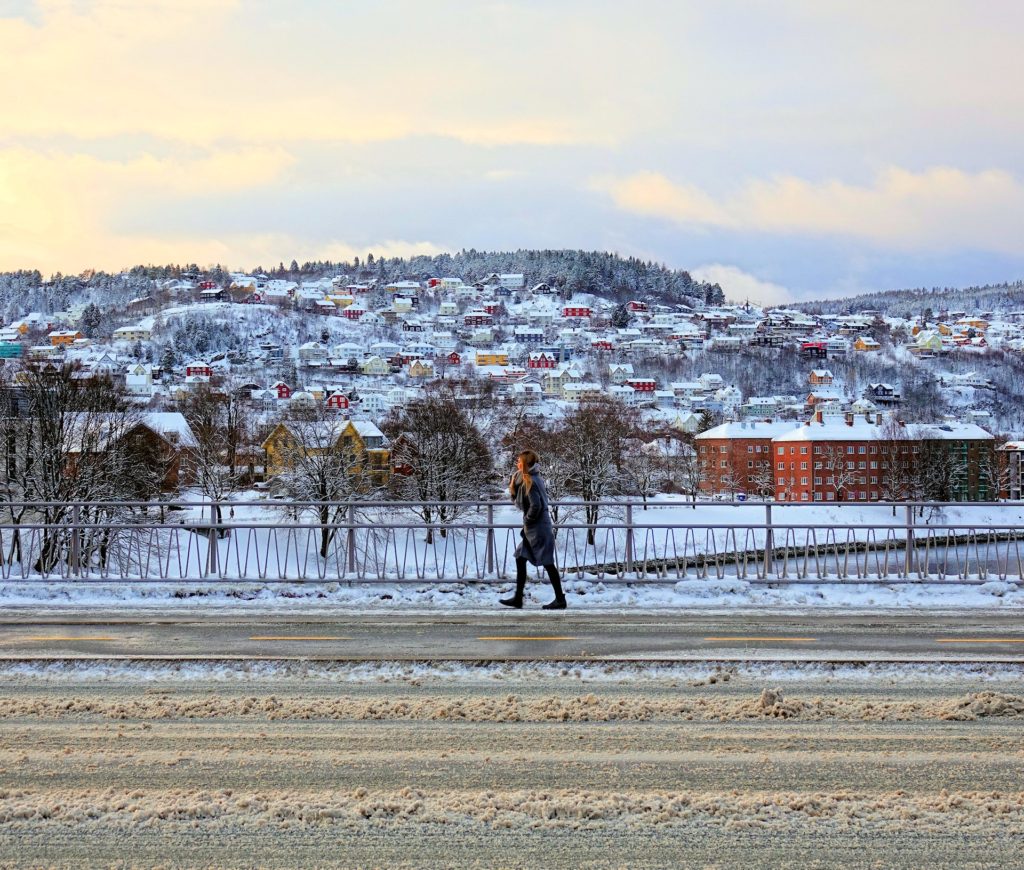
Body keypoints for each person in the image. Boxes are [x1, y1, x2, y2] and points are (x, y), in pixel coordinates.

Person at [500, 449, 567, 610]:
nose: (517, 463)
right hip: (534, 528)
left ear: (525, 465)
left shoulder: (531, 481)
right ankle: (518, 598)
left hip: (538, 528)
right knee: (520, 557)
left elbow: (536, 505)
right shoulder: (531, 478)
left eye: (519, 462)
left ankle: (560, 599)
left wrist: (528, 521)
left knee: (548, 563)